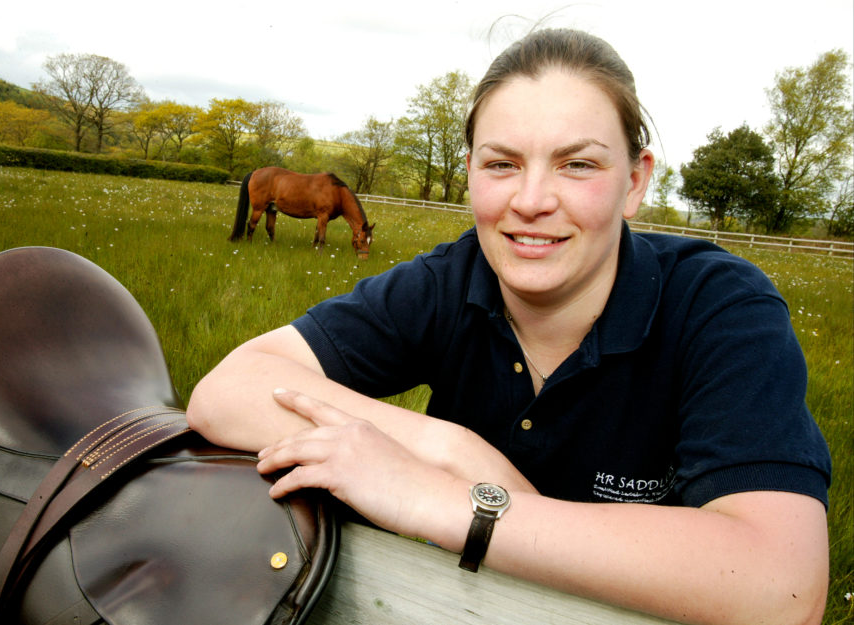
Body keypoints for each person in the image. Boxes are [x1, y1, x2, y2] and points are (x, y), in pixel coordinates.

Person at [186, 27, 831, 625]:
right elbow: (228, 390)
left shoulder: (717, 304)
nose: (530, 200)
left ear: (635, 182)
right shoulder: (449, 279)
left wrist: (449, 502)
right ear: (470, 173)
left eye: (578, 164)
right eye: (502, 164)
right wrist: (453, 451)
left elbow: (784, 584)